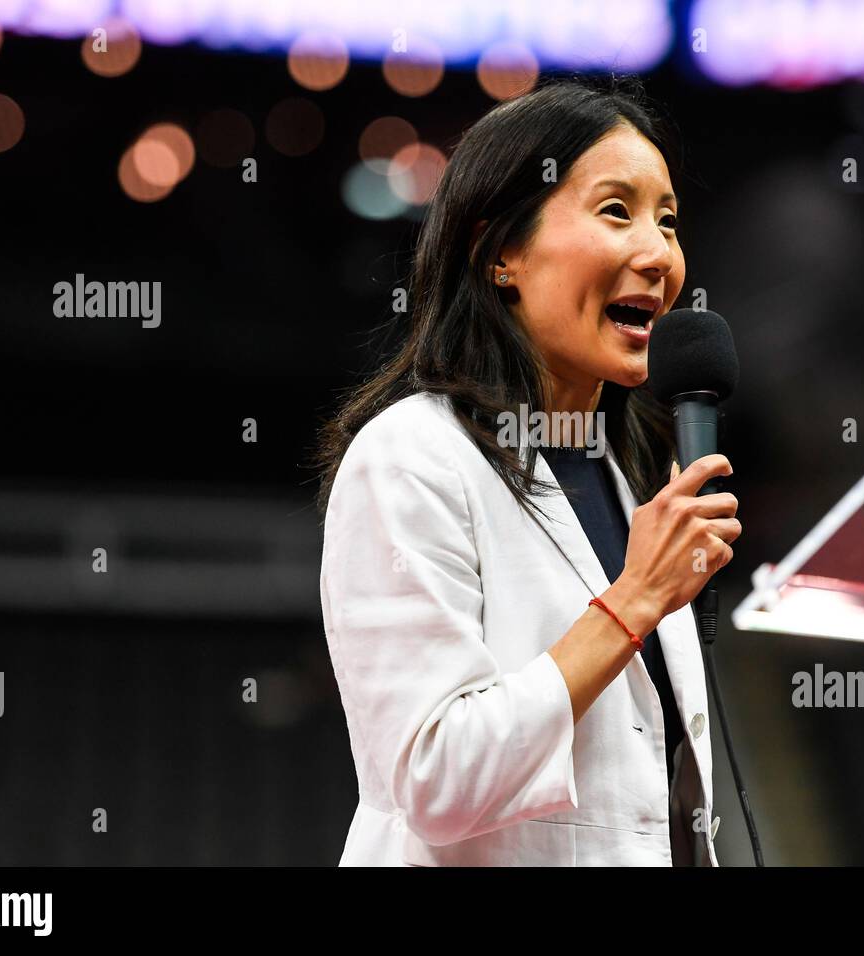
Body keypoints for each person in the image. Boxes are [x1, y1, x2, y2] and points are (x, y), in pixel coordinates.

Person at [314, 76, 740, 866]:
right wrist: (635, 598)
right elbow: (436, 779)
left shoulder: (636, 473)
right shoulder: (410, 456)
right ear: (499, 252)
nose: (658, 254)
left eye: (669, 222)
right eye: (617, 212)